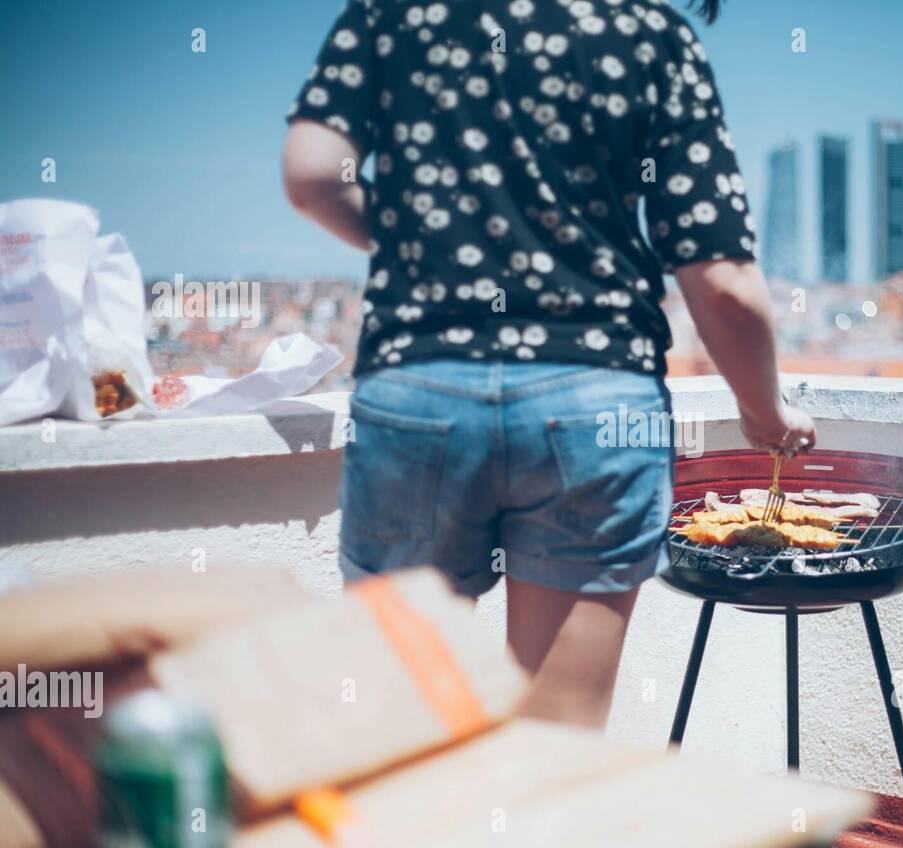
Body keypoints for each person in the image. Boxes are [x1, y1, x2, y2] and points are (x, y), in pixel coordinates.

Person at [283, 0, 814, 728]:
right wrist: (765, 413)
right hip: (596, 395)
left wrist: (418, 240)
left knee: (393, 732)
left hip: (421, 377)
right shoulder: (649, 31)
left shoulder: (393, 12)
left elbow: (312, 174)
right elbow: (720, 280)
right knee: (554, 743)